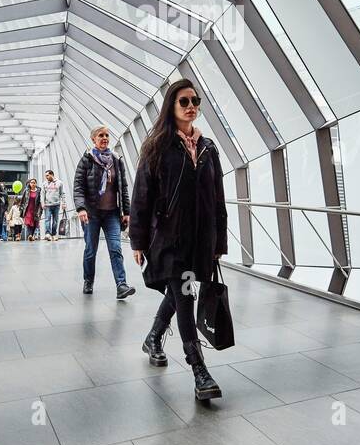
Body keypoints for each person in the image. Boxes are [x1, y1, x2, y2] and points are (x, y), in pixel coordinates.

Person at [129, 78, 227, 401]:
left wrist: (219, 243)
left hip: (199, 240)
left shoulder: (208, 148)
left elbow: (218, 201)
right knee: (185, 296)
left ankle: (154, 337)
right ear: (171, 106)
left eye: (195, 101)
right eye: (184, 101)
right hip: (169, 239)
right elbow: (141, 196)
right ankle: (199, 370)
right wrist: (137, 240)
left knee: (179, 292)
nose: (191, 107)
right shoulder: (157, 146)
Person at [73, 125, 135, 299]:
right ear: (93, 139)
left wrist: (126, 211)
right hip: (91, 214)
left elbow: (123, 187)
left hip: (112, 214)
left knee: (116, 248)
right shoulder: (87, 159)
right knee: (91, 250)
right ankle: (88, 280)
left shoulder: (116, 160)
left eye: (107, 135)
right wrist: (81, 208)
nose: (105, 138)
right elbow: (78, 186)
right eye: (101, 135)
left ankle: (121, 285)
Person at [41, 171, 64, 240]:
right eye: (46, 176)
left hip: (56, 204)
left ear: (52, 175)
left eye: (47, 175)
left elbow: (62, 193)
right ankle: (48, 234)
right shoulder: (44, 184)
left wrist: (64, 203)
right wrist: (42, 203)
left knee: (55, 220)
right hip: (47, 205)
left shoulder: (59, 183)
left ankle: (54, 234)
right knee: (47, 220)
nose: (46, 177)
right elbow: (42, 194)